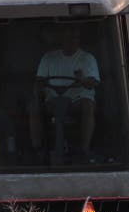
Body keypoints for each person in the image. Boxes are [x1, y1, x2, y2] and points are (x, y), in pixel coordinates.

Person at [30, 26, 100, 158]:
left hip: (76, 100)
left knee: (88, 105)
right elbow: (39, 81)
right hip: (53, 101)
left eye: (75, 38)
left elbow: (94, 82)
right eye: (68, 37)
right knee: (34, 105)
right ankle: (37, 148)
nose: (72, 41)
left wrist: (83, 80)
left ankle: (84, 150)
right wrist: (39, 91)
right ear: (62, 39)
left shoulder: (87, 58)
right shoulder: (49, 58)